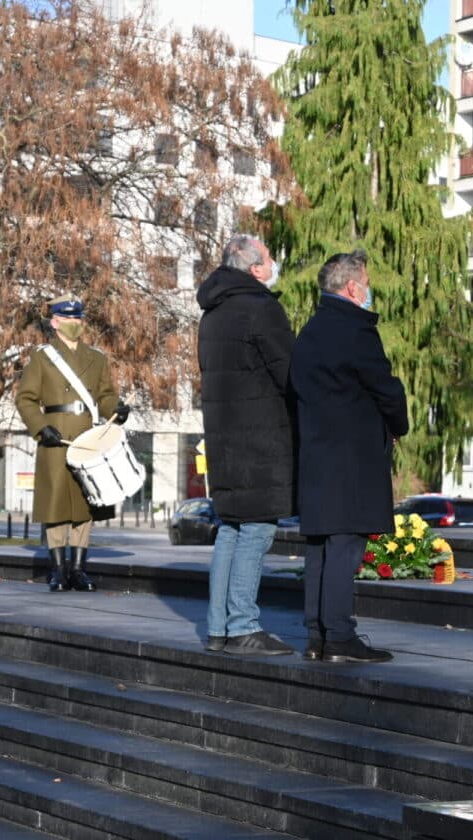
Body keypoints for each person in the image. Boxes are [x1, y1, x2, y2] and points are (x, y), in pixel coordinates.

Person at [290, 250, 408, 664]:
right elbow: (384, 386)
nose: (369, 290)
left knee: (321, 545)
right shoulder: (356, 330)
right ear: (353, 286)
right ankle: (340, 633)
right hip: (352, 457)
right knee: (345, 546)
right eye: (367, 282)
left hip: (317, 454)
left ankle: (316, 635)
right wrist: (398, 423)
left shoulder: (309, 332)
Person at [195, 236, 297, 655]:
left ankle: (218, 627)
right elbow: (290, 372)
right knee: (256, 529)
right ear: (255, 268)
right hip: (261, 440)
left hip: (225, 439)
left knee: (231, 530)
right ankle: (242, 626)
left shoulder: (213, 312)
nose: (273, 265)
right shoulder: (261, 307)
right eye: (269, 259)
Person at [15, 293, 129, 593]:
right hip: (55, 436)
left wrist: (116, 409)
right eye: (67, 318)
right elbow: (25, 399)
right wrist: (40, 427)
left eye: (77, 317)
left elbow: (105, 395)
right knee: (56, 507)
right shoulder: (42, 357)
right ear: (54, 322)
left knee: (84, 505)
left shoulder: (96, 357)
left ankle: (78, 569)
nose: (74, 323)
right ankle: (58, 570)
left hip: (87, 437)